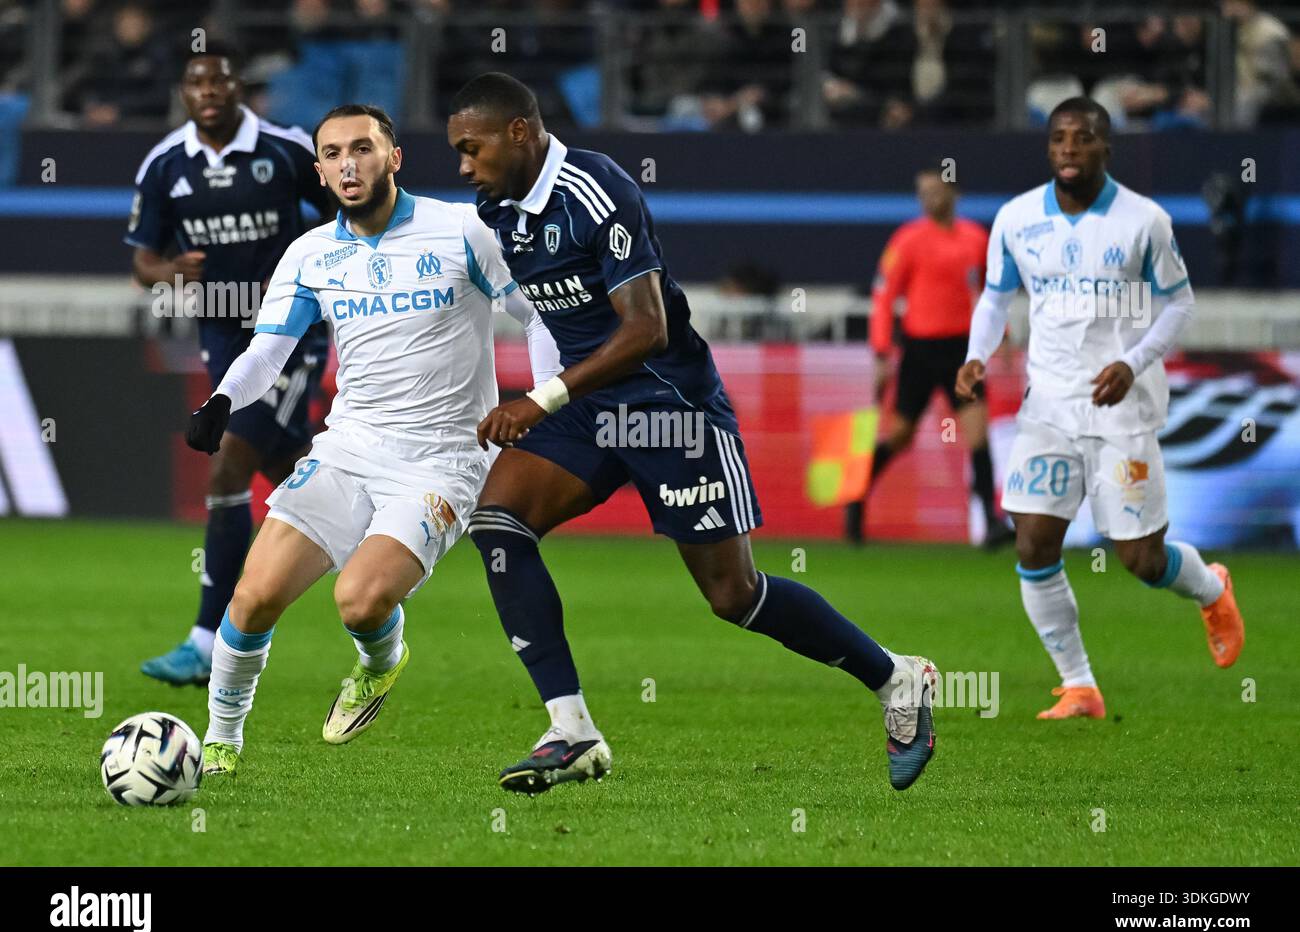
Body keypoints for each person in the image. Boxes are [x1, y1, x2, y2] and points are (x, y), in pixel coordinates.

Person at [448, 72, 940, 795]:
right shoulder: (499, 207)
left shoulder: (595, 188)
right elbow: (548, 314)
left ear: (519, 131)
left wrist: (539, 397)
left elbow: (646, 329)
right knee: (498, 525)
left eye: (472, 146)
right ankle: (571, 729)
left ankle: (896, 678)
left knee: (732, 596)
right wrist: (549, 405)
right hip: (586, 408)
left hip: (666, 403)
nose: (464, 165)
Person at [183, 104, 560, 775]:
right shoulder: (311, 254)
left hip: (444, 460)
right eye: (331, 154)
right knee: (253, 597)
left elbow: (536, 317)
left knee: (358, 600)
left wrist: (542, 396)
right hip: (347, 449)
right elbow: (268, 353)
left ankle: (379, 662)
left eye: (362, 148)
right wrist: (222, 400)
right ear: (321, 172)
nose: (347, 163)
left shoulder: (464, 231)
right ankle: (221, 740)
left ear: (394, 157)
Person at [955, 97, 1244, 720]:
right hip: (1049, 407)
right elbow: (996, 296)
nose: (1067, 148)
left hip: (1123, 407)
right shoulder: (1016, 218)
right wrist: (978, 355)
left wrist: (1132, 362)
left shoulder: (1144, 221)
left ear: (1104, 148)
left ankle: (1212, 588)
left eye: (1081, 138)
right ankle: (1079, 684)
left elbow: (1180, 305)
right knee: (1032, 544)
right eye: (1058, 138)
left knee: (1140, 559)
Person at [128, 45, 333, 687]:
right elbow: (143, 264)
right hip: (221, 335)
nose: (208, 90)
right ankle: (375, 544)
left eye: (219, 78)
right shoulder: (164, 165)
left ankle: (205, 639)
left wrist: (316, 272)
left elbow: (345, 214)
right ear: (184, 94)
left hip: (291, 329)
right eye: (195, 81)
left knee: (226, 469)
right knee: (292, 469)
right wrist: (169, 272)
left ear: (238, 87)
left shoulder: (285, 149)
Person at [845, 166, 1011, 548]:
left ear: (955, 192)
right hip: (919, 351)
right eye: (922, 192)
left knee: (978, 434)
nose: (928, 199)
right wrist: (882, 352)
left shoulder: (975, 238)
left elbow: (991, 294)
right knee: (900, 436)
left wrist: (1001, 336)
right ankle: (856, 499)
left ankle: (989, 521)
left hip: (962, 351)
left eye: (935, 191)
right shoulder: (907, 240)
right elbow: (884, 297)